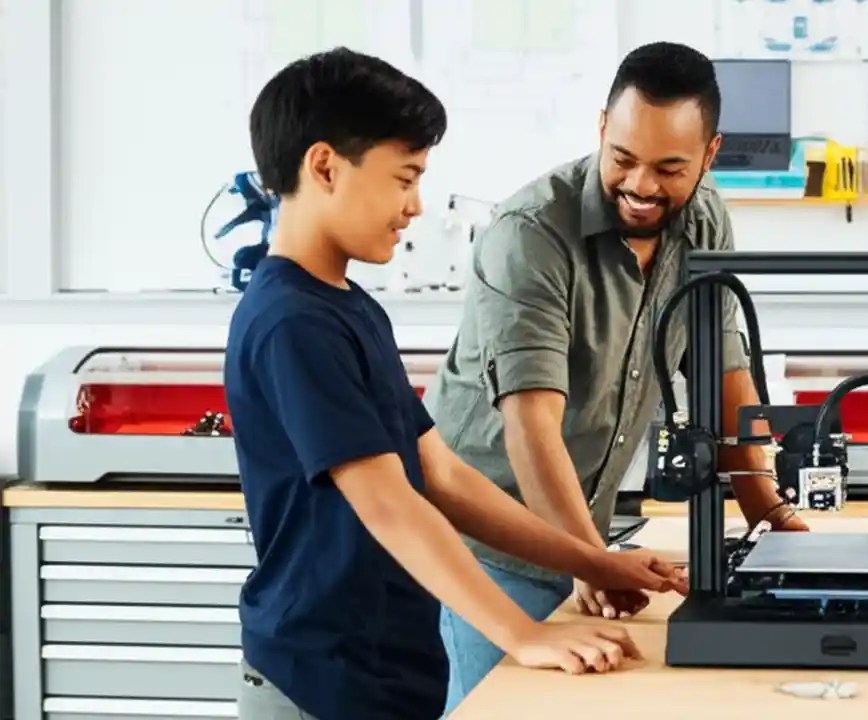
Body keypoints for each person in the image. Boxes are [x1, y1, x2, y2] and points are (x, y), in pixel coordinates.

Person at [224, 47, 688, 720]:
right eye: (404, 177)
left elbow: (442, 477)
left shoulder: (348, 307)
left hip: (386, 671)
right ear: (325, 165)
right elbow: (388, 503)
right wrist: (522, 635)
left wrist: (597, 562)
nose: (414, 205)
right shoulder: (292, 323)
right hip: (318, 682)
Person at [427, 41, 810, 712]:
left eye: (669, 168)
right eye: (624, 159)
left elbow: (724, 372)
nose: (641, 186)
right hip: (487, 544)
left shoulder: (704, 218)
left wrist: (769, 518)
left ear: (710, 155)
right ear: (602, 127)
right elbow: (531, 423)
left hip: (584, 531)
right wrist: (590, 560)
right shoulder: (532, 235)